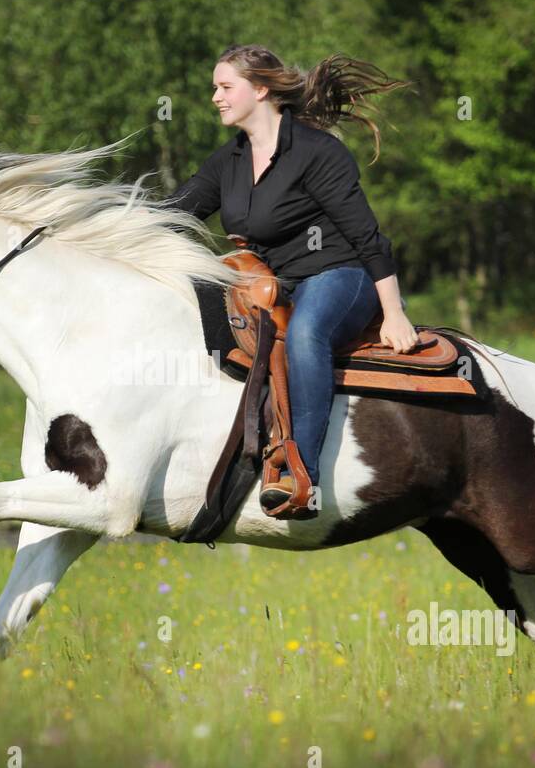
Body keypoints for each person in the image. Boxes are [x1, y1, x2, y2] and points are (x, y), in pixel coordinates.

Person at [163, 44, 419, 517]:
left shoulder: (317, 153)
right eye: (214, 88)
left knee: (306, 333)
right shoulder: (230, 159)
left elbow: (368, 237)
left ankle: (300, 474)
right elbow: (174, 213)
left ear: (260, 90)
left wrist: (394, 313)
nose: (215, 97)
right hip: (275, 283)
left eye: (225, 87)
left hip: (341, 274)